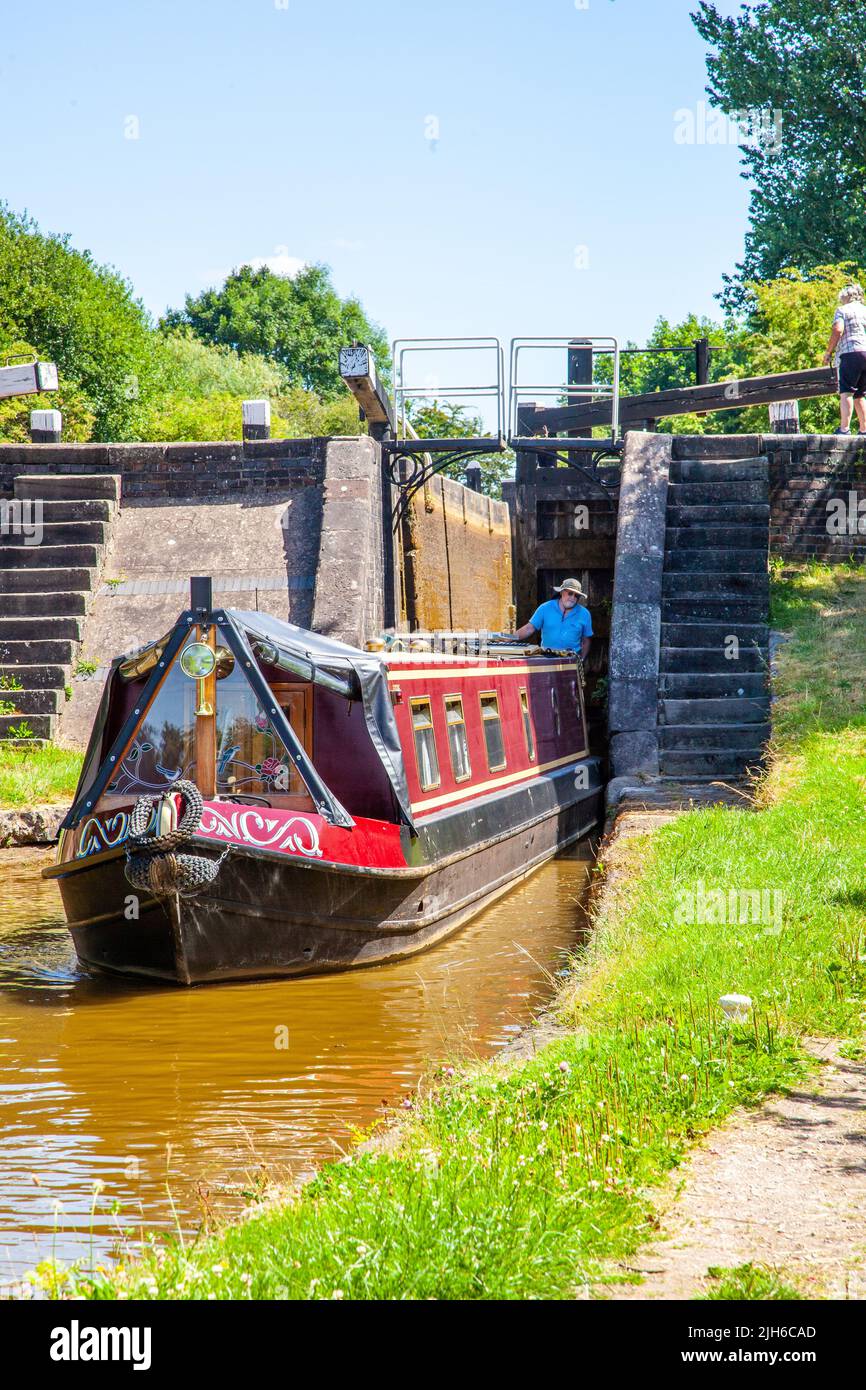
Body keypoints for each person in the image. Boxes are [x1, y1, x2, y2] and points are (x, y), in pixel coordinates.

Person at [822, 283, 866, 435]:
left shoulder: (842, 310)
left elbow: (838, 329)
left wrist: (828, 352)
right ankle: (864, 429)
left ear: (846, 296)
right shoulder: (864, 310)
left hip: (850, 353)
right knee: (861, 394)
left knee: (846, 392)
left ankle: (844, 429)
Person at [511, 578, 592, 659]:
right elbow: (529, 628)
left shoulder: (584, 614)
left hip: (572, 659)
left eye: (577, 595)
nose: (573, 597)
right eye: (570, 593)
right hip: (547, 658)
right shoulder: (545, 608)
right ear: (562, 592)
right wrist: (509, 638)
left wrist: (582, 659)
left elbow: (586, 640)